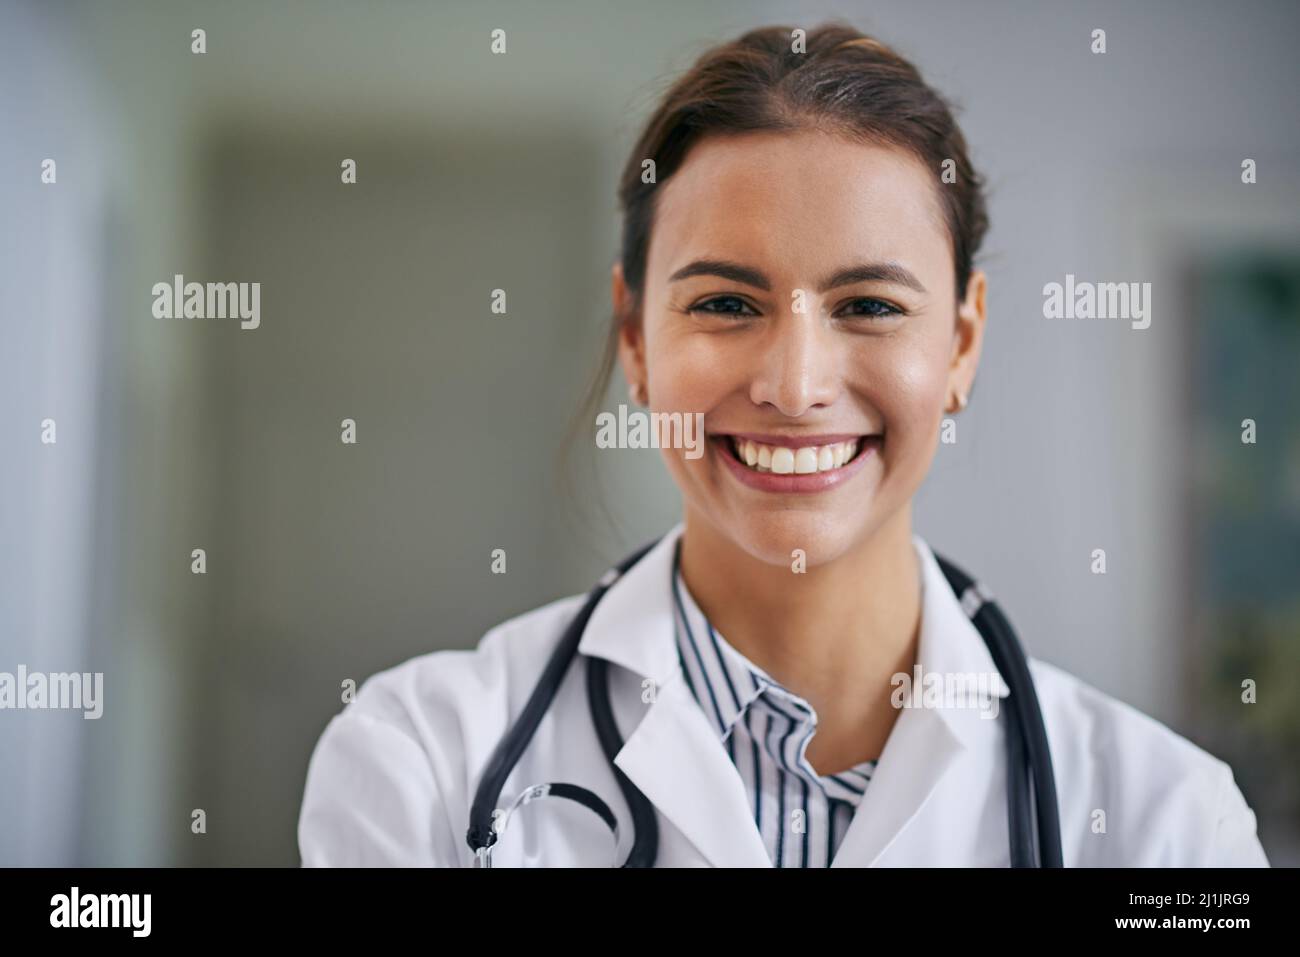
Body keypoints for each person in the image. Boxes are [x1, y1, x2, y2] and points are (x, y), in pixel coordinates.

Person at [297, 22, 1268, 867]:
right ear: (634, 340)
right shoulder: (417, 763)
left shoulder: (1167, 824)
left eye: (870, 306)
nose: (796, 387)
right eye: (725, 303)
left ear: (962, 343)